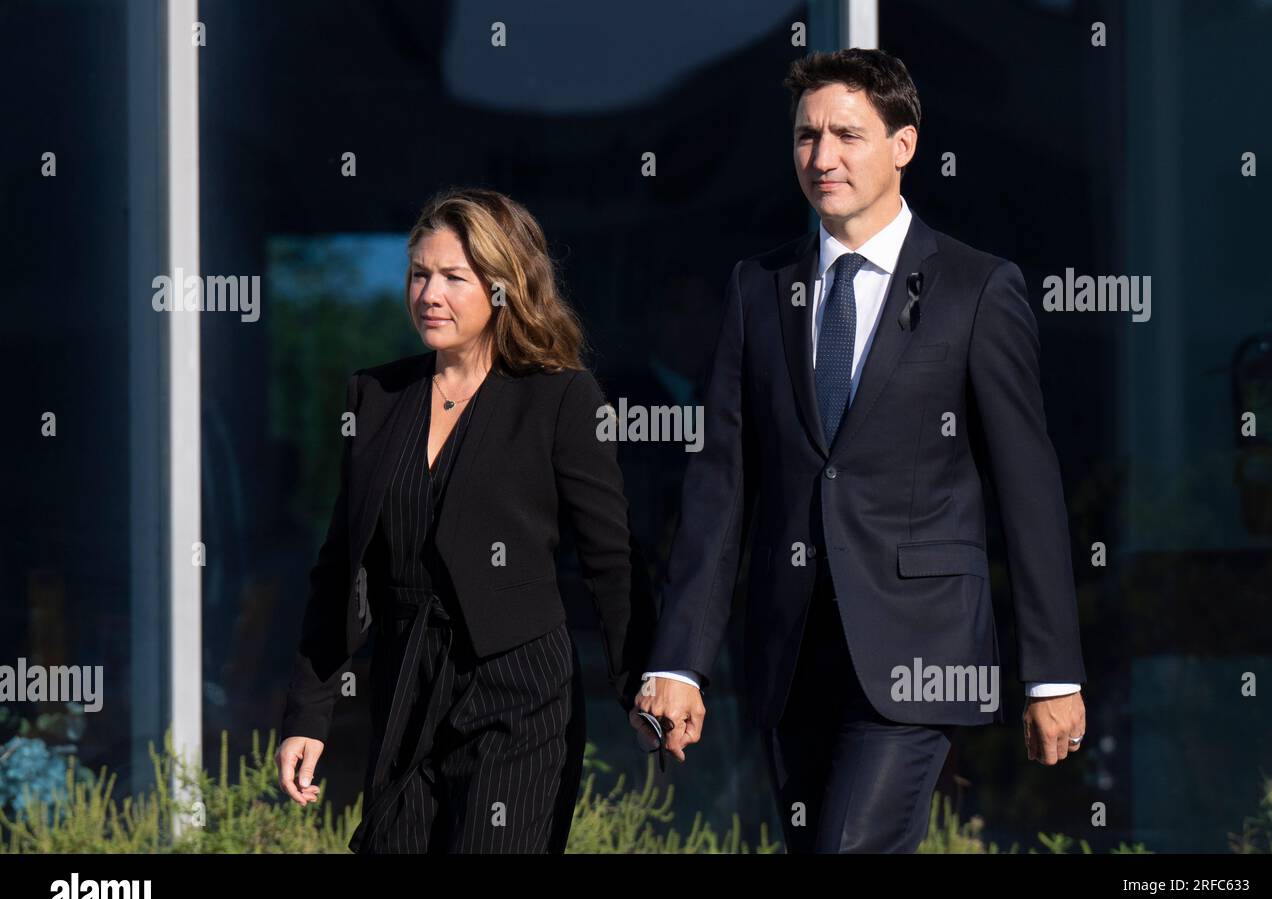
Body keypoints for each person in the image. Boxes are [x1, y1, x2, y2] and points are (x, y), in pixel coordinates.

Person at [633, 48, 1088, 853]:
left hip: (920, 656)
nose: (822, 156)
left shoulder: (978, 289)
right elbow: (720, 488)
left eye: (847, 134)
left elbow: (1028, 488)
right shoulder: (757, 287)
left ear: (903, 146)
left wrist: (1052, 670)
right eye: (807, 136)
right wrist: (681, 659)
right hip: (789, 654)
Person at [276, 187, 653, 853]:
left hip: (519, 695)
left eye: (454, 276)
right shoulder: (376, 395)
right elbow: (340, 566)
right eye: (419, 273)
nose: (429, 293)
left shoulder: (559, 398)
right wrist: (309, 711)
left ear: (505, 286)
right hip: (404, 690)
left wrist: (647, 684)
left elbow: (611, 559)